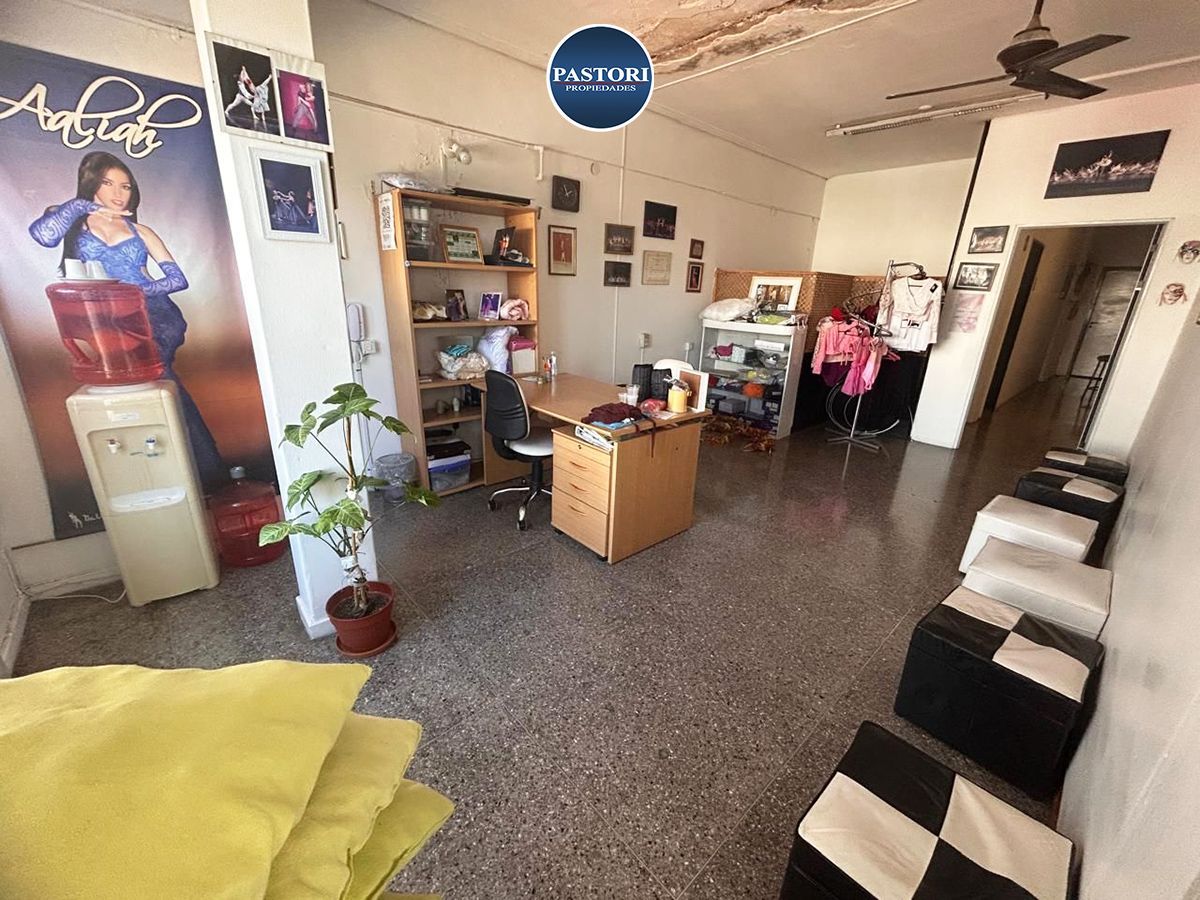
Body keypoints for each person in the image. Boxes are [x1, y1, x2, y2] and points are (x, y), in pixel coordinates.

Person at [28, 151, 223, 487]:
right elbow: (43, 236)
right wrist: (81, 207)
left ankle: (202, 473)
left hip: (152, 318)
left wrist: (134, 291)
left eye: (126, 186)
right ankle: (153, 478)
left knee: (160, 388)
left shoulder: (141, 231)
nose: (119, 193)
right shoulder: (71, 221)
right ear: (91, 184)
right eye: (108, 183)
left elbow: (177, 280)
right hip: (101, 323)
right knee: (126, 397)